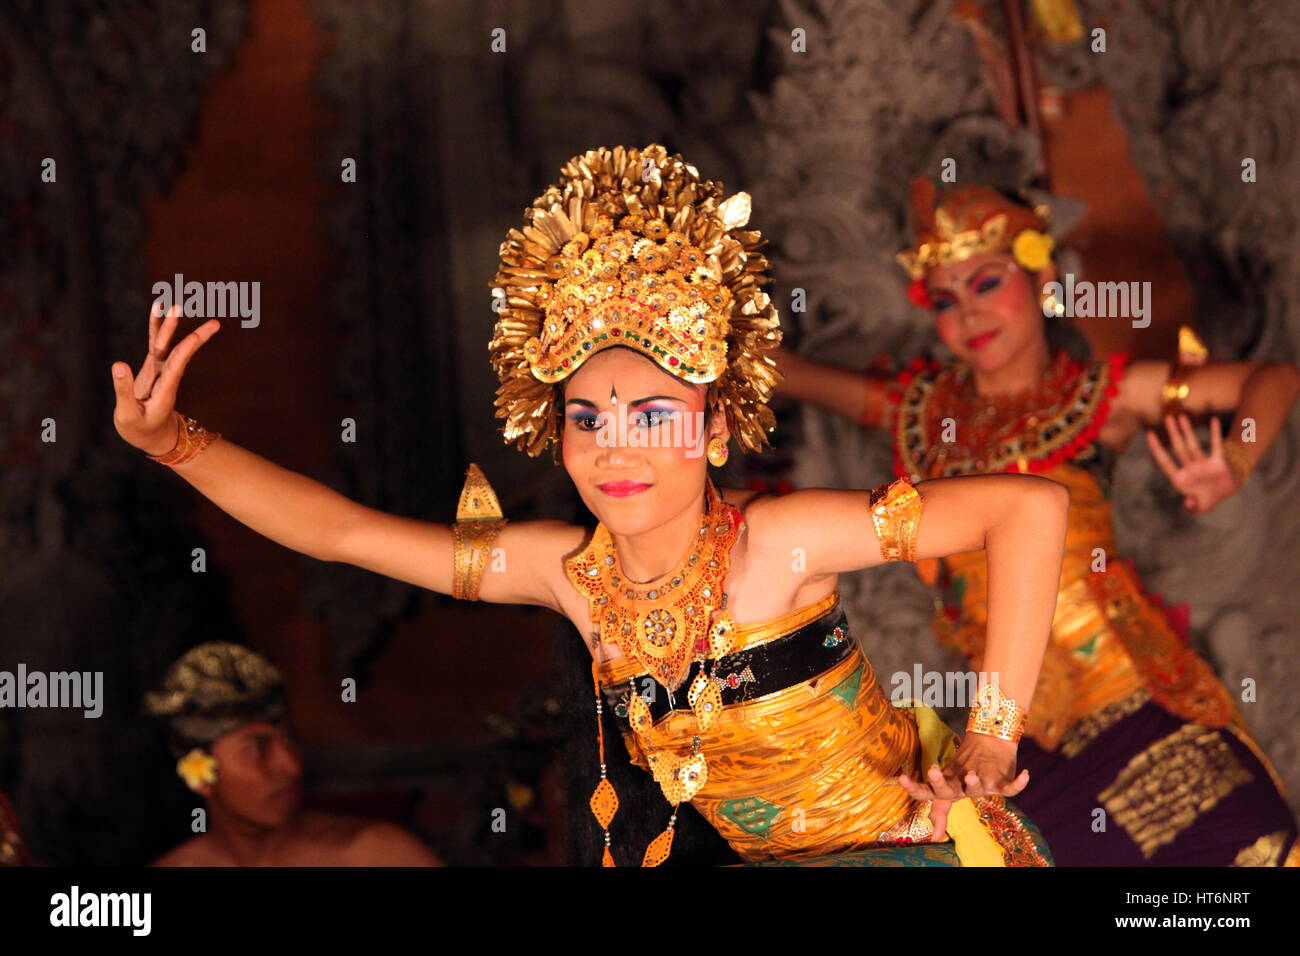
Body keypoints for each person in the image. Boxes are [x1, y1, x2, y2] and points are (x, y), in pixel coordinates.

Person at [111, 144, 1071, 866]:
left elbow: (1026, 511)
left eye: (654, 416)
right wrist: (173, 444)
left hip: (911, 851)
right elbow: (343, 533)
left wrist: (989, 740)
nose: (617, 449)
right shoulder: (570, 577)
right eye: (588, 419)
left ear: (715, 431)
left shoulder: (776, 545)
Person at [772, 179, 1300, 866]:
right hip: (1022, 741)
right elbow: (786, 374)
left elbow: (1275, 382)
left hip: (1141, 701)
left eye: (987, 282)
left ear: (1042, 275)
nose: (969, 312)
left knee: (1245, 858)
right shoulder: (917, 413)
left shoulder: (1097, 399)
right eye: (945, 298)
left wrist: (1234, 457)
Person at [144, 641, 440, 866]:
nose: (291, 765)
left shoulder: (375, 855)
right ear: (198, 773)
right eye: (258, 748)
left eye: (290, 739)